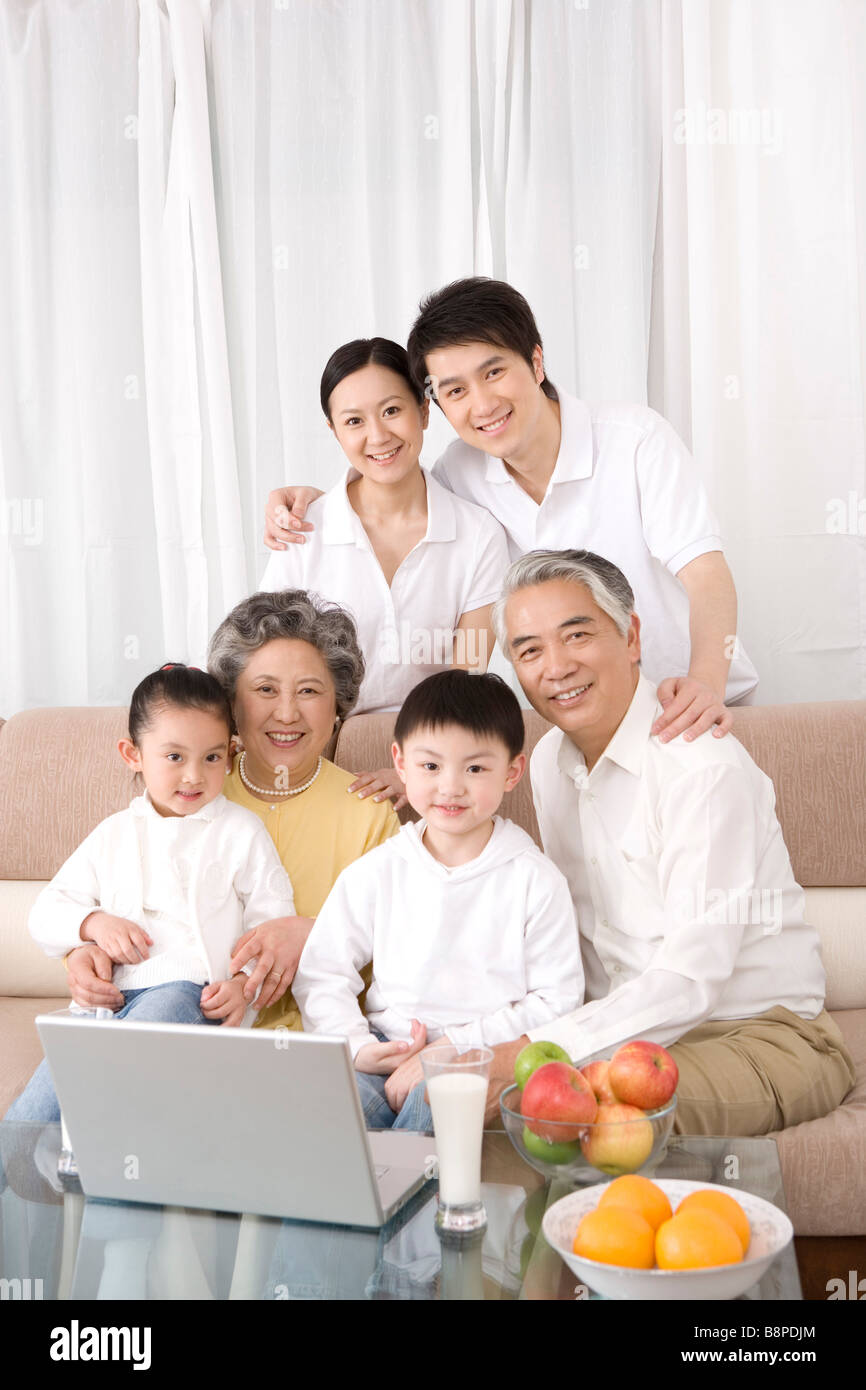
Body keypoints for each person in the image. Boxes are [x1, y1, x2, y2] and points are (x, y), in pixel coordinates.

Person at [263, 278, 758, 745]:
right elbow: (394, 489)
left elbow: (707, 575)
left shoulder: (635, 440)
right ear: (438, 403)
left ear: (536, 363)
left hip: (689, 704)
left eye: (494, 372)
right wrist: (316, 501)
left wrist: (705, 685)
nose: (482, 405)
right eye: (456, 389)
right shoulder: (461, 470)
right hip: (578, 719)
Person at [482, 548, 855, 1135]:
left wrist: (533, 1051)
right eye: (529, 650)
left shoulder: (700, 768)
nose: (554, 667)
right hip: (627, 1035)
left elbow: (690, 979)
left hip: (759, 1033)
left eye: (576, 635)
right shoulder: (550, 761)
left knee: (585, 1122)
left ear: (631, 637)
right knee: (503, 1104)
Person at [34, 590, 400, 1053]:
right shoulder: (189, 788)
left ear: (338, 705)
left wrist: (316, 935)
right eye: (265, 689)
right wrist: (81, 953)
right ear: (231, 704)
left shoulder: (368, 811)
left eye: (309, 690)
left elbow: (401, 947)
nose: (286, 713)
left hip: (311, 1043)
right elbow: (104, 891)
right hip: (181, 1027)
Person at [292, 669, 583, 1129]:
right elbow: (323, 971)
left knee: (433, 1108)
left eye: (475, 768)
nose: (451, 787)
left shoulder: (534, 878)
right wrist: (359, 1047)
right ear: (401, 763)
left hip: (480, 1059)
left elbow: (557, 1000)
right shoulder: (379, 870)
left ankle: (418, 1198)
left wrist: (457, 1047)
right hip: (384, 1053)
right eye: (431, 766)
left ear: (512, 772)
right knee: (327, 1114)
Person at [6, 663, 297, 1123]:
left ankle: (99, 1155)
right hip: (109, 1004)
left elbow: (273, 923)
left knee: (122, 1069)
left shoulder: (240, 831)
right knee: (35, 1110)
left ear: (231, 754)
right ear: (132, 754)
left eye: (212, 758)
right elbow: (45, 913)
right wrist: (92, 924)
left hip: (191, 996)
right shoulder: (113, 834)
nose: (194, 777)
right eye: (174, 757)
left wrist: (244, 987)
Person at [258, 337, 510, 807]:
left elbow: (467, 673)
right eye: (354, 421)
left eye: (392, 410)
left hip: (435, 748)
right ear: (334, 431)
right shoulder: (303, 531)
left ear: (424, 409)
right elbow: (266, 665)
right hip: (316, 748)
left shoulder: (478, 536)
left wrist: (418, 772)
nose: (377, 436)